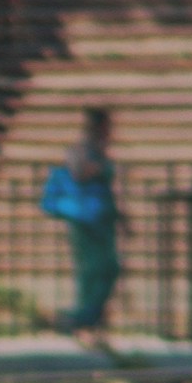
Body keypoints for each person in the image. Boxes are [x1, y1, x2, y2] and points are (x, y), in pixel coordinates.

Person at [46, 104, 123, 336]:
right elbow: (79, 173)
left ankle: (88, 316)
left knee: (109, 268)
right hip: (85, 220)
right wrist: (97, 167)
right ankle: (81, 318)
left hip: (103, 220)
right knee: (91, 270)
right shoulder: (83, 149)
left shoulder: (100, 150)